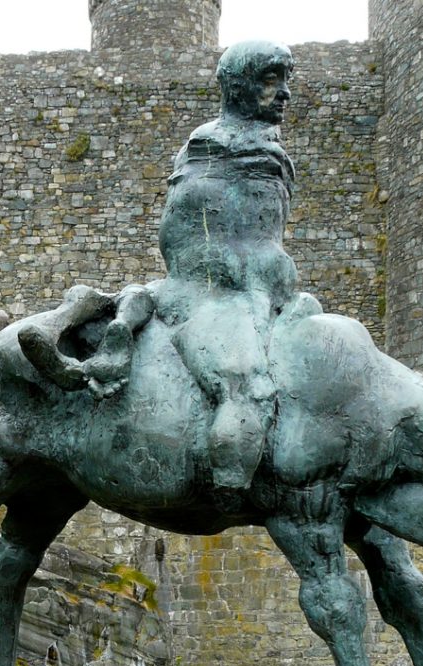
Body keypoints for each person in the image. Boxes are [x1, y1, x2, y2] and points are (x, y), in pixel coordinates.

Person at [19, 40, 319, 493]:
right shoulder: (214, 149)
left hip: (263, 291)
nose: (285, 94)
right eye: (271, 82)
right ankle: (233, 488)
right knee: (244, 385)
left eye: (285, 82)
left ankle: (117, 316)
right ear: (238, 87)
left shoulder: (266, 151)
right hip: (222, 292)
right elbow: (182, 235)